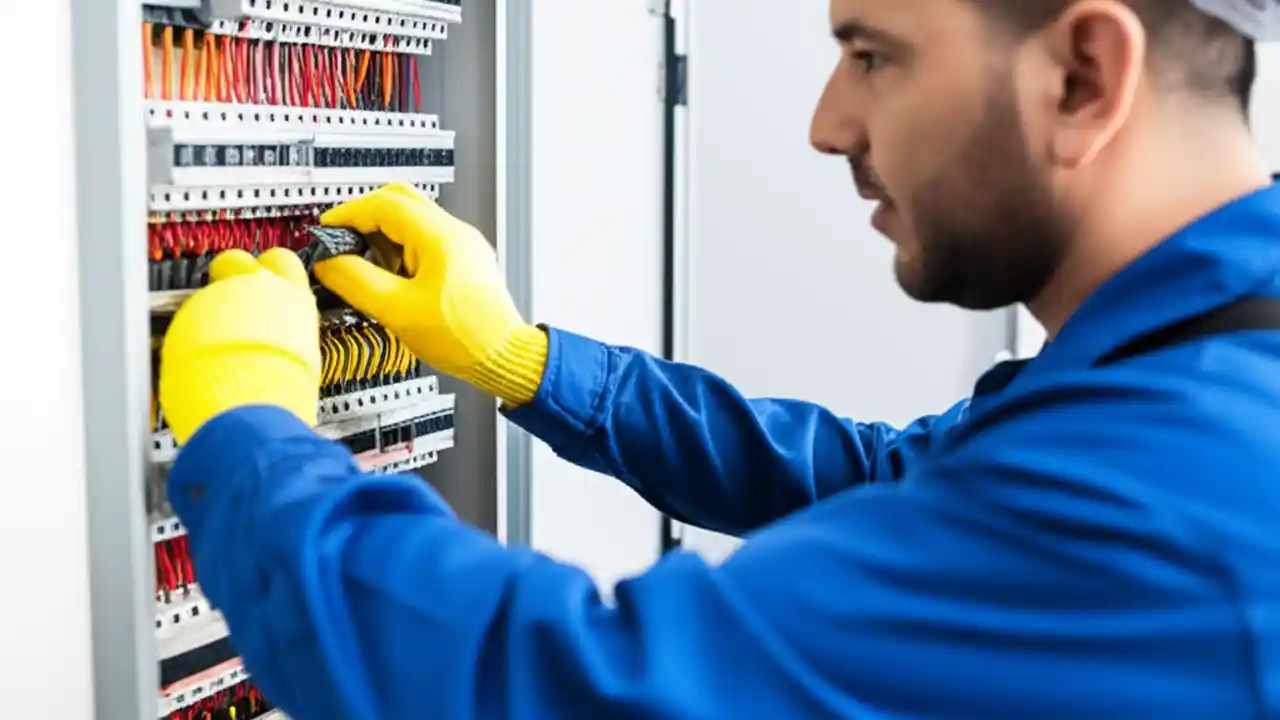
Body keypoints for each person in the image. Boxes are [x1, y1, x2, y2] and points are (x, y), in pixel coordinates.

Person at [161, 0, 1280, 717]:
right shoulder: (1205, 363)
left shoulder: (1170, 491)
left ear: (1083, 76)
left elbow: (564, 689)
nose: (827, 125)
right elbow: (886, 482)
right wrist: (521, 360)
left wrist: (249, 435)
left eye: (873, 56)